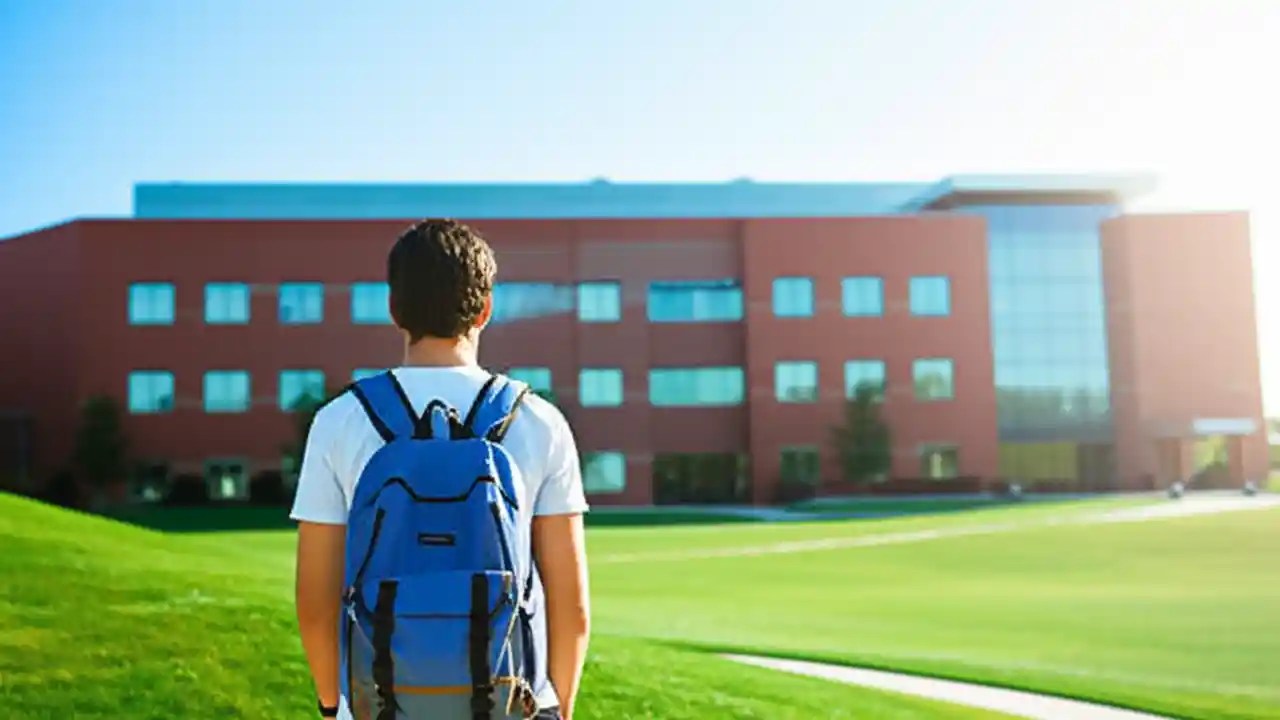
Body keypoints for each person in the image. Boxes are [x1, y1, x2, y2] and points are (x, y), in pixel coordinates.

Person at [290, 219, 592, 719]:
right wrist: (557, 711)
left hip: (380, 700)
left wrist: (333, 707)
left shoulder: (340, 421)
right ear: (486, 310)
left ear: (394, 309)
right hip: (509, 701)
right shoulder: (540, 422)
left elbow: (315, 603)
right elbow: (572, 608)